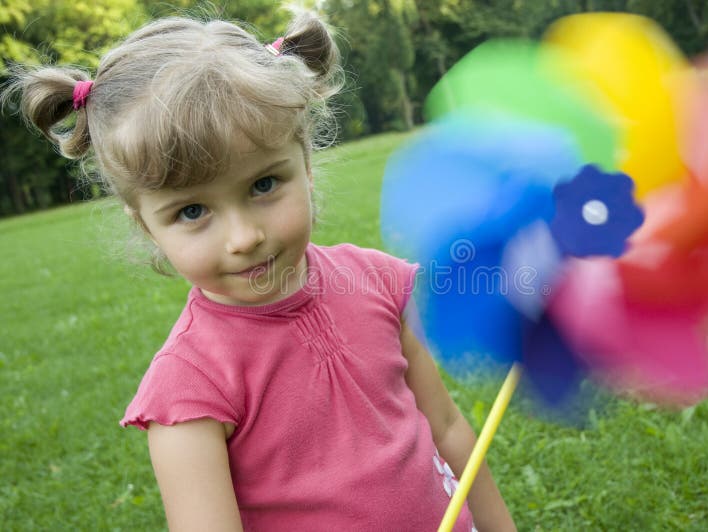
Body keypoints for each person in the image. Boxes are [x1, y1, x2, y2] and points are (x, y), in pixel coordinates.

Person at [4, 10, 515, 532]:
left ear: (306, 164)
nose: (244, 237)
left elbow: (448, 428)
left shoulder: (378, 282)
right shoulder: (190, 388)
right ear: (148, 228)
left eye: (264, 185)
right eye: (192, 211)